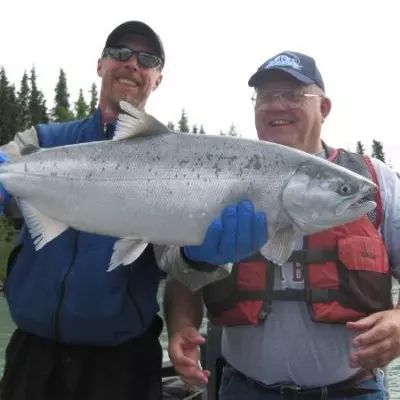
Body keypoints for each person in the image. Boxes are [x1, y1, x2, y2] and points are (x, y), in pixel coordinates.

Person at [161, 51, 400, 399]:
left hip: (354, 391)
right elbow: (184, 272)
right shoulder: (217, 178)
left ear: (325, 107)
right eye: (266, 96)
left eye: (293, 95)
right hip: (244, 389)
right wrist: (182, 326)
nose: (276, 106)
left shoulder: (375, 183)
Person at [0, 20, 182, 400]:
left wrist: (203, 257)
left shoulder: (178, 163)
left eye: (147, 58)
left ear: (157, 78)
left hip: (122, 366)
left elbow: (179, 265)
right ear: (101, 65)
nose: (132, 64)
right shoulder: (41, 142)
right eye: (120, 53)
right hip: (33, 358)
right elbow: (7, 171)